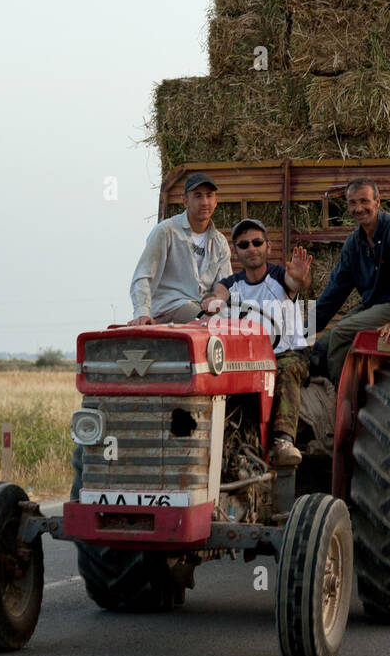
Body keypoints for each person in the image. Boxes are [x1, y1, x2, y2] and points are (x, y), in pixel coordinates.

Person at [202, 219, 313, 465]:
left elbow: (297, 283)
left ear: (268, 247)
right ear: (235, 252)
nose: (251, 248)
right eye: (243, 244)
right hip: (250, 358)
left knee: (283, 369)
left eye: (256, 242)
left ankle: (283, 440)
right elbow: (217, 295)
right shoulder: (231, 284)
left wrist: (299, 278)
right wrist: (211, 303)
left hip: (287, 352)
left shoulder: (280, 277)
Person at [314, 177, 390, 382]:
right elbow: (334, 290)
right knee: (323, 343)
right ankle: (316, 390)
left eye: (364, 201)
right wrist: (305, 327)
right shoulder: (355, 242)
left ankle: (338, 399)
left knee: (341, 334)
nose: (358, 208)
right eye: (352, 203)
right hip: (376, 306)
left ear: (377, 202)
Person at [129, 173, 232, 324]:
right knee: (213, 324)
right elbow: (143, 276)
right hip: (169, 307)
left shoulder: (220, 242)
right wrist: (142, 313)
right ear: (185, 201)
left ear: (216, 201)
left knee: (236, 324)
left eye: (209, 195)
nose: (204, 202)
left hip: (200, 311)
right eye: (197, 196)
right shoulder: (166, 231)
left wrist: (217, 299)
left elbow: (225, 285)